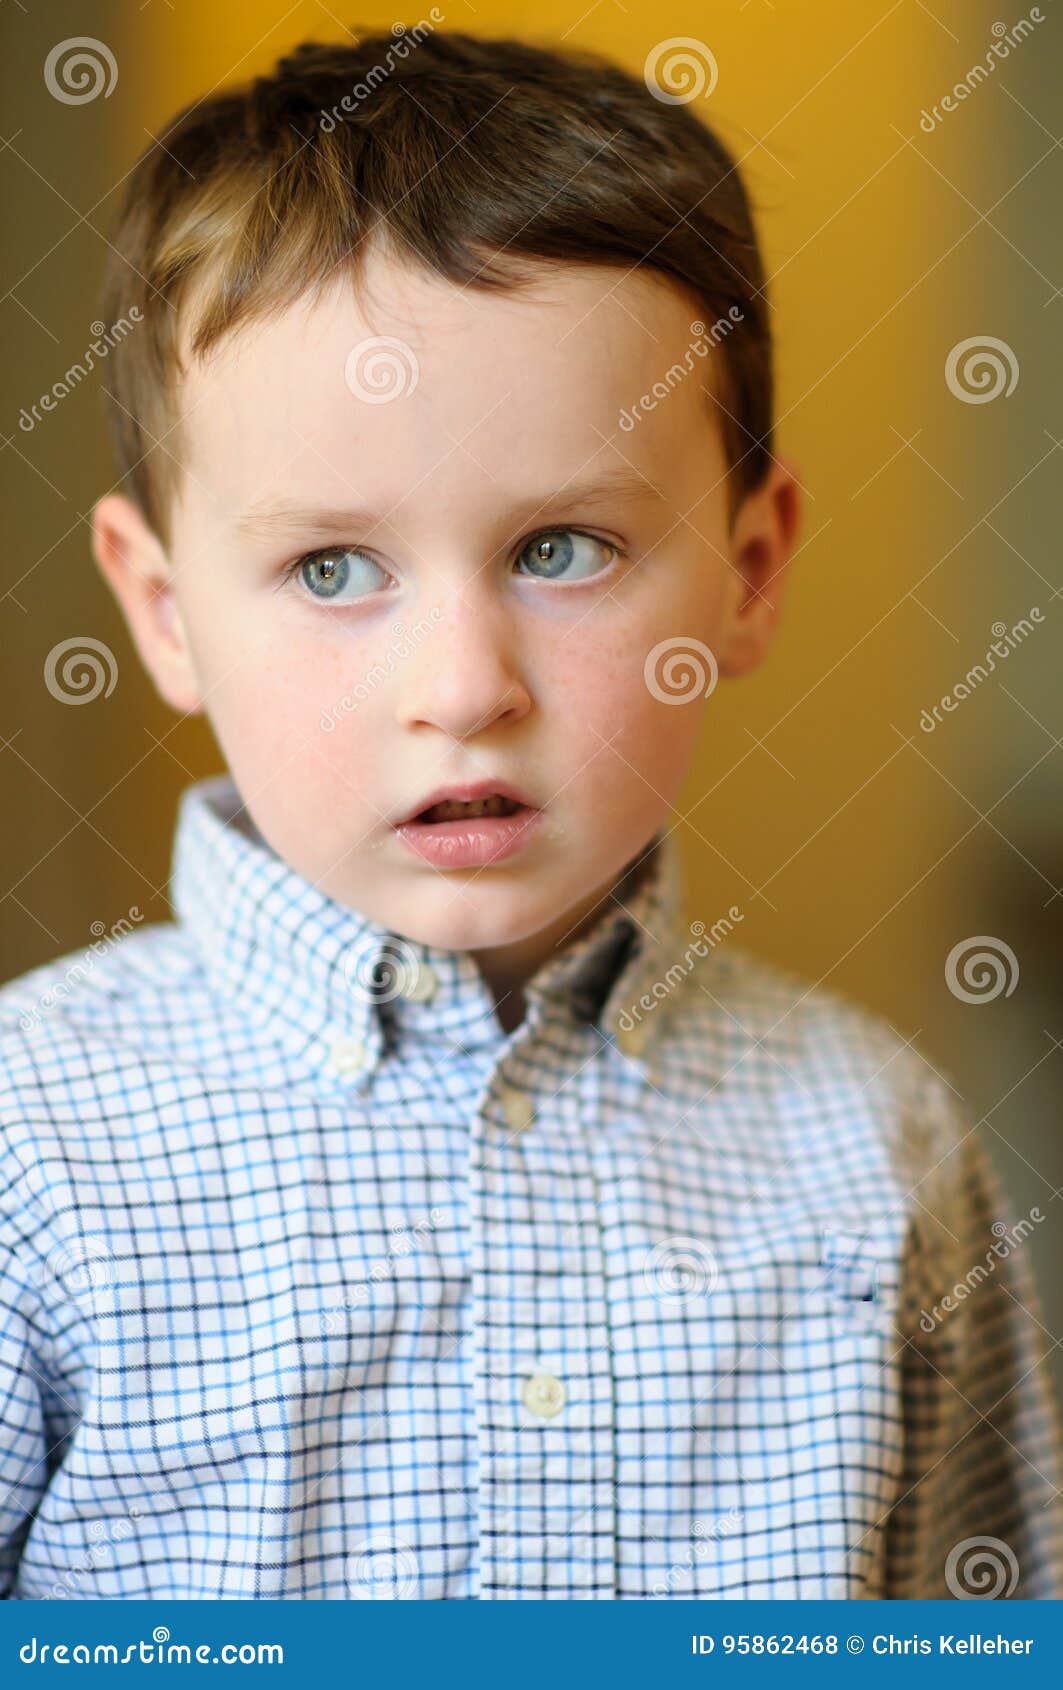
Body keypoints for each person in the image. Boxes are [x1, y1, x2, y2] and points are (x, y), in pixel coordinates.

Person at [1, 27, 1059, 1600]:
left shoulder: (880, 1140)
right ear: (162, 611)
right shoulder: (31, 1152)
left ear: (751, 571)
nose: (464, 684)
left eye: (562, 548)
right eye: (333, 567)